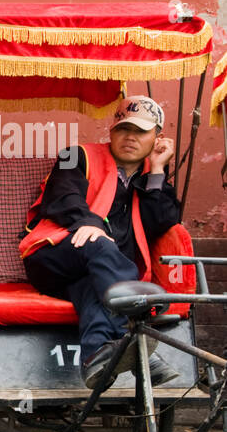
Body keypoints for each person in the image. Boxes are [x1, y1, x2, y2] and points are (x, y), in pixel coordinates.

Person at [20, 95, 182, 389]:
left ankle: (96, 356)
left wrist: (158, 169)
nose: (130, 137)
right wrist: (91, 224)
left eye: (141, 132)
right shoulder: (74, 153)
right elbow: (63, 195)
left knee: (95, 292)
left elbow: (162, 221)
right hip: (52, 257)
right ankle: (138, 341)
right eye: (123, 129)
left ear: (157, 138)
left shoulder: (150, 177)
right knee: (101, 245)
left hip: (100, 276)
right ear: (112, 130)